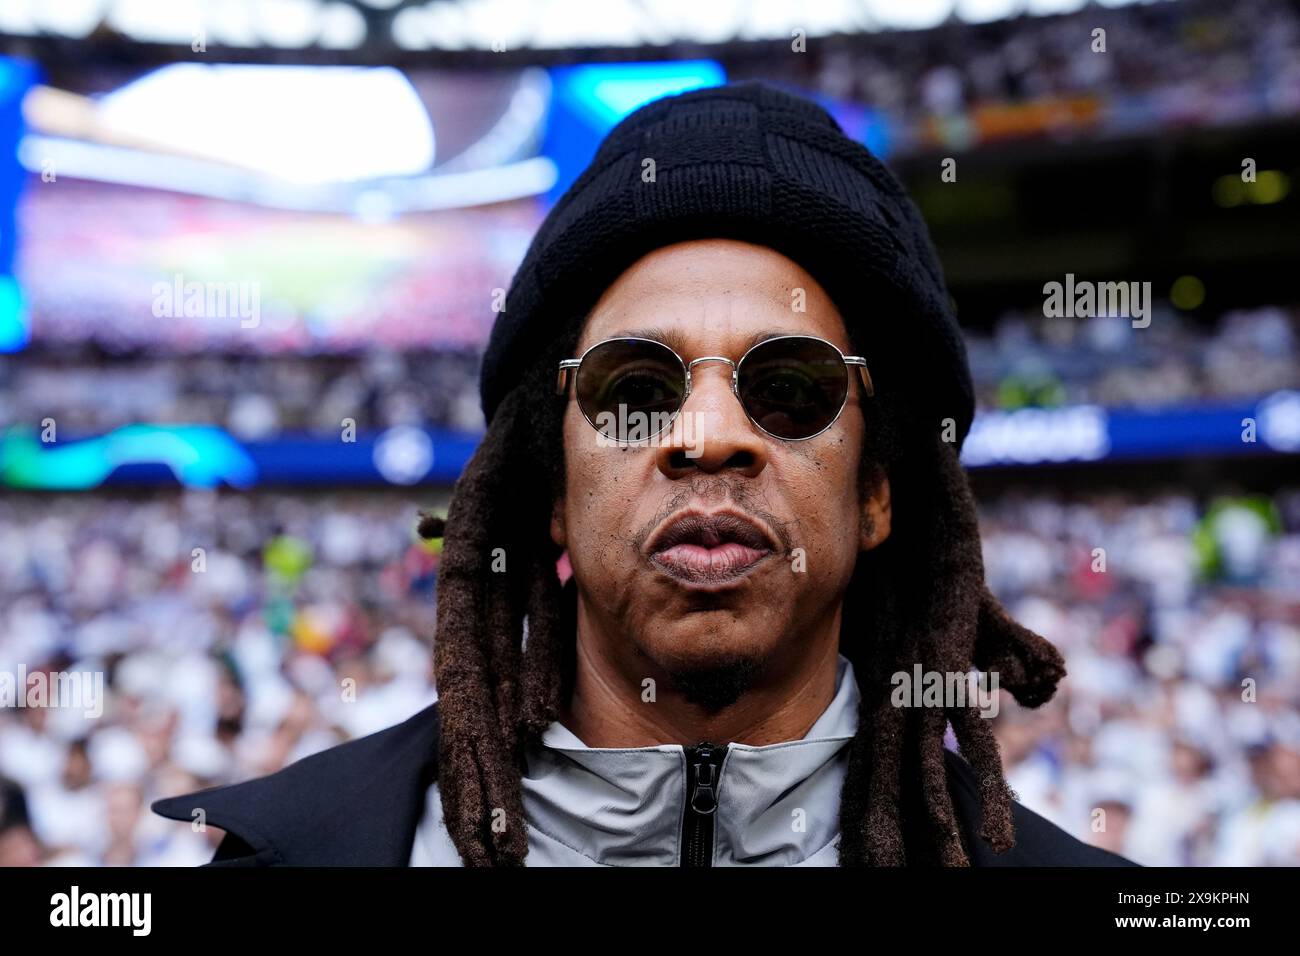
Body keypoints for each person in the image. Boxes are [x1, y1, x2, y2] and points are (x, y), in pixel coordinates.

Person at [153, 81, 1133, 867]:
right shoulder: (291, 855)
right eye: (636, 384)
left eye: (790, 387)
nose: (707, 435)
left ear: (877, 492)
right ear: (550, 490)